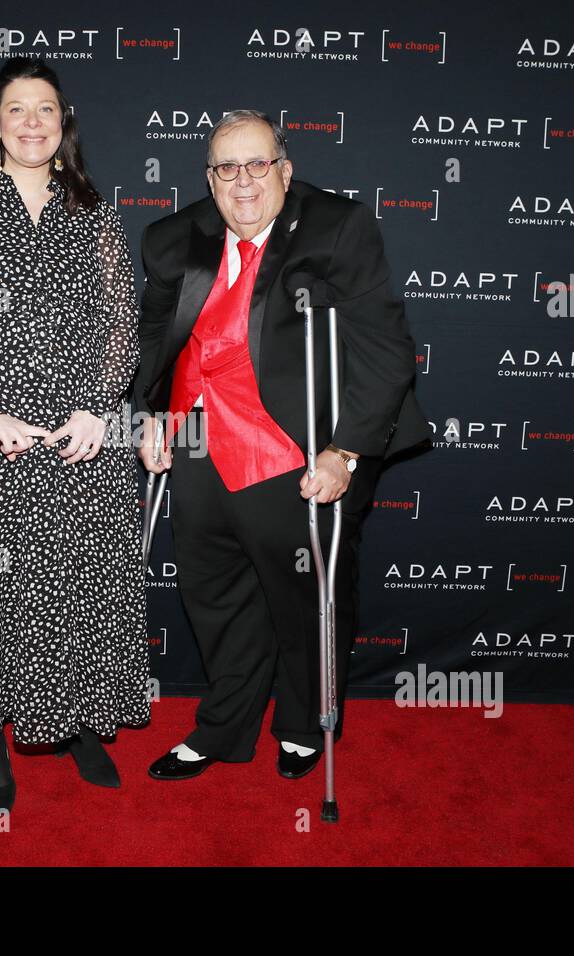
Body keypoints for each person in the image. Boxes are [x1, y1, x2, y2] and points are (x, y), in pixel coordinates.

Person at [135, 110, 431, 781]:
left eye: (257, 164)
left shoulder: (336, 229)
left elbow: (385, 351)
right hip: (201, 441)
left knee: (302, 597)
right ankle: (224, 726)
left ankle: (300, 725)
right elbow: (151, 337)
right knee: (215, 596)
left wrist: (346, 452)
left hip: (293, 449)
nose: (243, 182)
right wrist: (148, 412)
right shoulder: (173, 237)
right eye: (226, 168)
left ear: (285, 170)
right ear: (210, 179)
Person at [0, 57, 150, 811]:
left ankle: (76, 716)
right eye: (16, 108)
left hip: (81, 438)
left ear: (63, 121)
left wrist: (95, 406)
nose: (31, 121)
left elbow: (122, 324)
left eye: (44, 108)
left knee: (78, 584)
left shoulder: (97, 215)